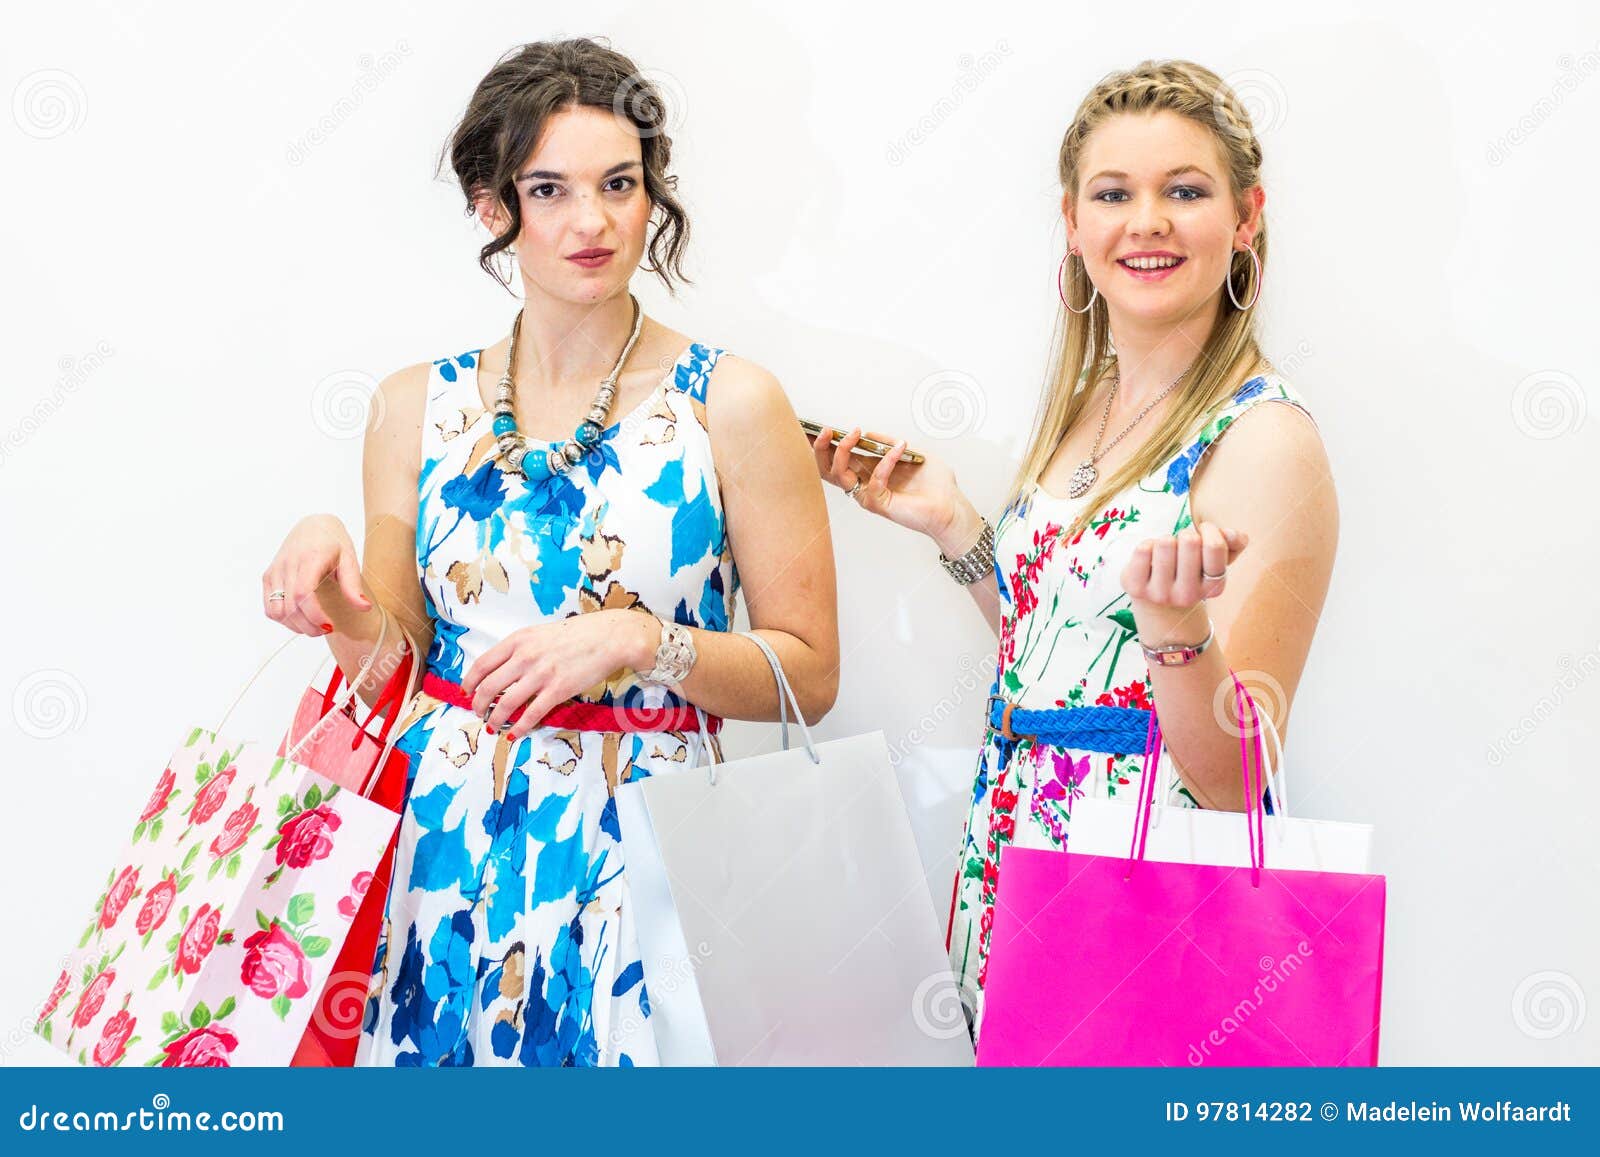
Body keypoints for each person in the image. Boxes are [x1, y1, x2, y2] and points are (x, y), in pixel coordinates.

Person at [261, 38, 838, 1066]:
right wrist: (334, 582)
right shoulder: (412, 406)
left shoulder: (733, 401)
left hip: (646, 847)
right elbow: (392, 667)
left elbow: (810, 672)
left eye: (620, 183)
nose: (593, 220)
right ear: (493, 207)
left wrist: (638, 638)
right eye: (550, 188)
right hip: (441, 849)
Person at [813, 59, 1338, 1044]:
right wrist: (955, 527)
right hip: (1015, 859)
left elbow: (1234, 773)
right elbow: (1063, 655)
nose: (1146, 220)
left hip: (1143, 890)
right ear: (1072, 222)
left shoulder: (1264, 440)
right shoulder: (1084, 415)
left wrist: (1177, 626)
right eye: (1114, 193)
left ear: (1246, 215)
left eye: (1184, 191)